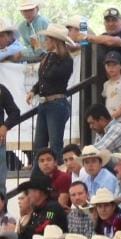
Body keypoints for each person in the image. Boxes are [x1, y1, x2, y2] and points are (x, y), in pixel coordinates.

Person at [29, 25, 74, 157]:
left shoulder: (66, 60)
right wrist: (33, 91)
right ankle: (39, 175)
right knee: (39, 145)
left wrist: (52, 55)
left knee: (55, 145)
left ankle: (57, 174)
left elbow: (52, 75)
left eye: (47, 39)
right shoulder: (49, 57)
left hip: (57, 104)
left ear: (55, 41)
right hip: (45, 104)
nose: (45, 42)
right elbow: (44, 79)